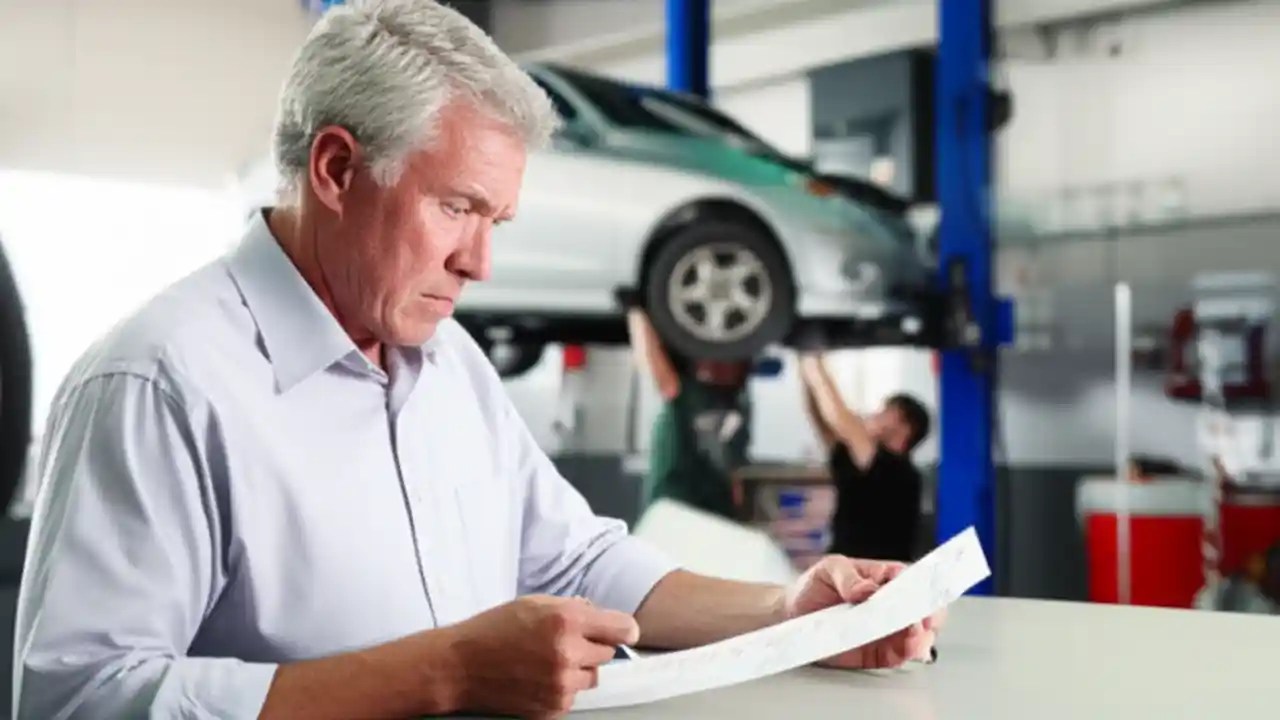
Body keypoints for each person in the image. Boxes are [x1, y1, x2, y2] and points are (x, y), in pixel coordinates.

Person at [13, 3, 941, 718]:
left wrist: (792, 611)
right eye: (457, 207)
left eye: (496, 222)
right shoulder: (158, 382)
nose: (480, 262)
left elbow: (578, 563)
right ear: (336, 170)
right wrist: (450, 670)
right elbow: (84, 697)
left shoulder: (447, 364)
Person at [620, 292, 752, 522]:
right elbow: (655, 369)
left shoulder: (737, 400)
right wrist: (636, 311)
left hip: (708, 513)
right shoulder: (688, 394)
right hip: (679, 507)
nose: (720, 363)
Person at [798, 353, 930, 563]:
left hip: (878, 580)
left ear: (905, 430)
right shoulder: (858, 459)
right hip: (844, 570)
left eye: (888, 411)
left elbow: (840, 418)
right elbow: (822, 417)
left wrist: (812, 357)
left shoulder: (898, 472)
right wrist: (804, 365)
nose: (877, 413)